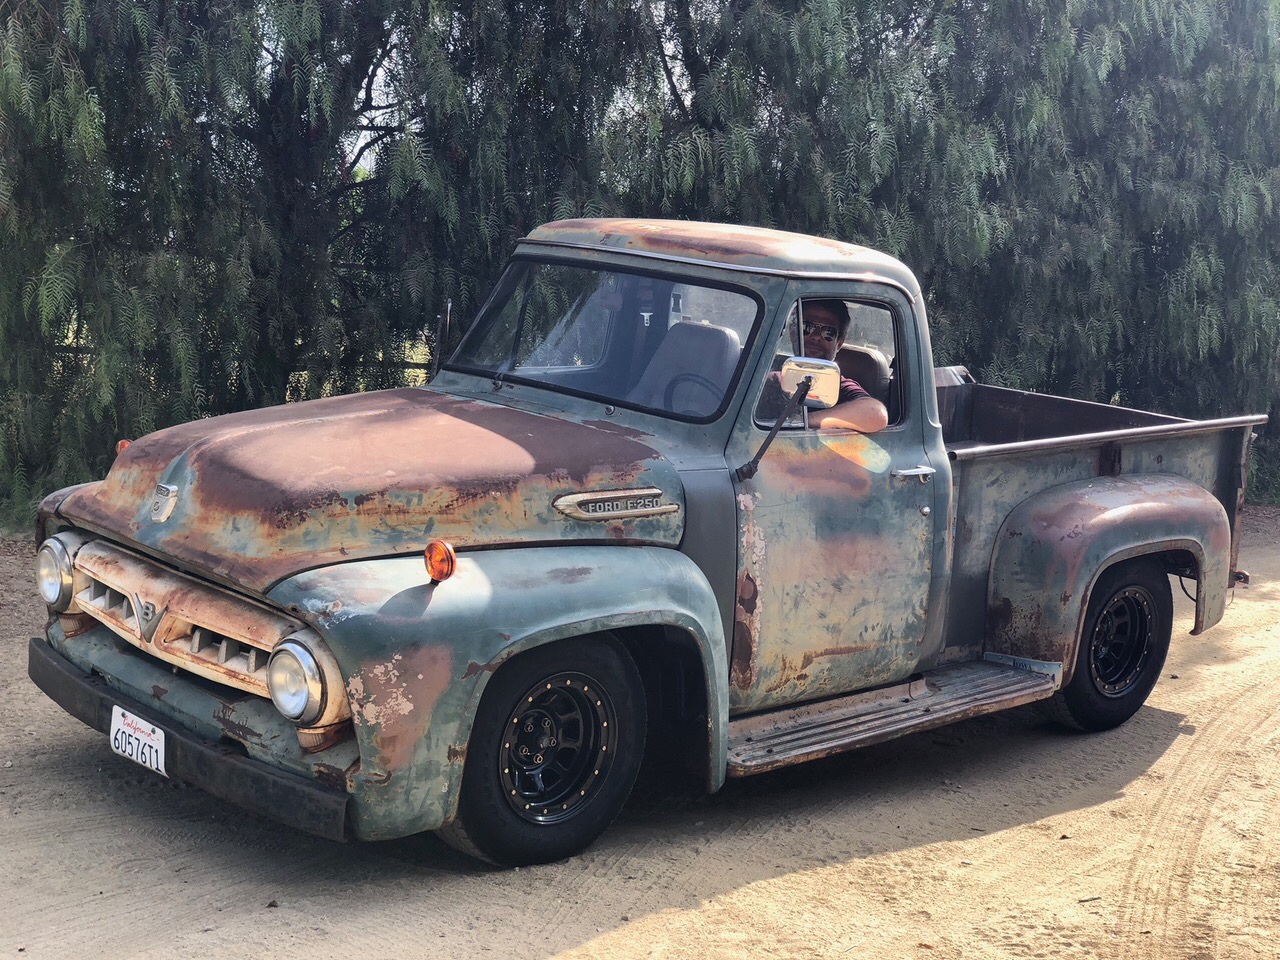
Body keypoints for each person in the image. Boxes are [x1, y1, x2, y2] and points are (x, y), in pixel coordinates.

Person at [759, 299, 889, 432]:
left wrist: (803, 421)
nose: (816, 337)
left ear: (839, 343)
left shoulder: (840, 387)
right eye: (807, 327)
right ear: (793, 333)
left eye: (828, 332)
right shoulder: (771, 381)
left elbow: (876, 414)